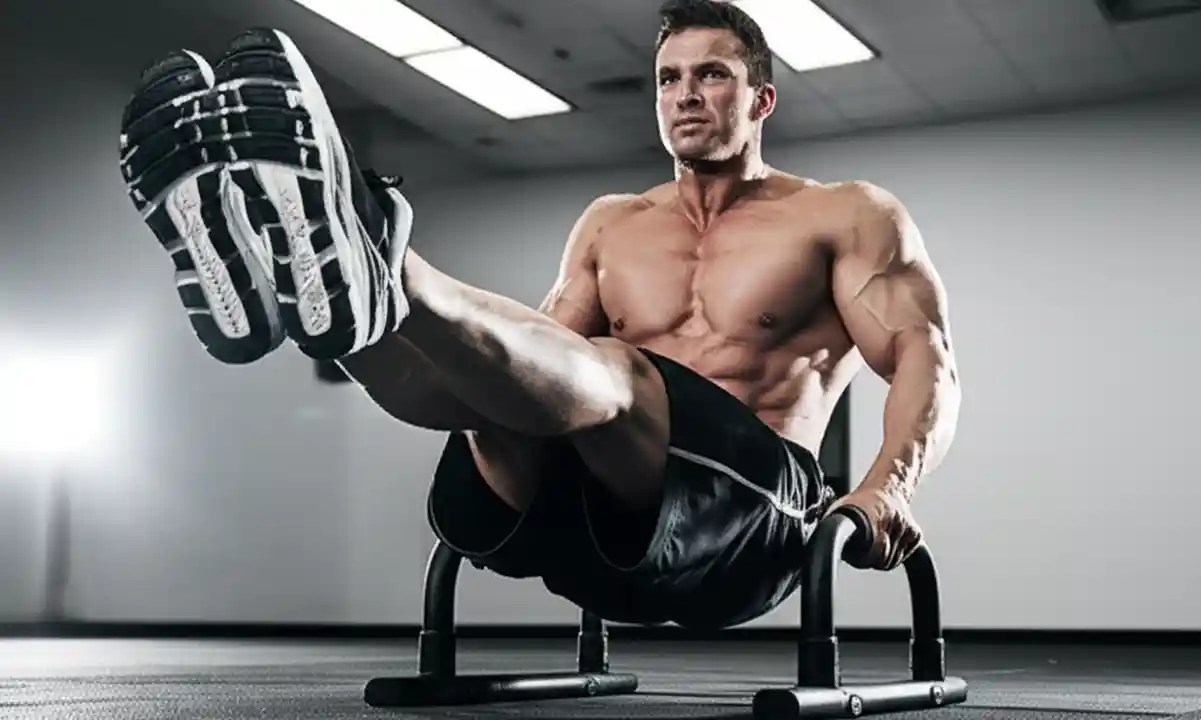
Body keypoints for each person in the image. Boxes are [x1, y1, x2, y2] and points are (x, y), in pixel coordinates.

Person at [119, 0, 960, 629]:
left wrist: (889, 489)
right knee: (507, 395)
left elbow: (927, 358)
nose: (686, 95)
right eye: (669, 78)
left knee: (620, 375)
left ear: (763, 99)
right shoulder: (611, 222)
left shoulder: (845, 215)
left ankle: (386, 264)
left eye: (713, 75)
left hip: (747, 530)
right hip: (583, 536)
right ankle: (322, 305)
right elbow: (537, 363)